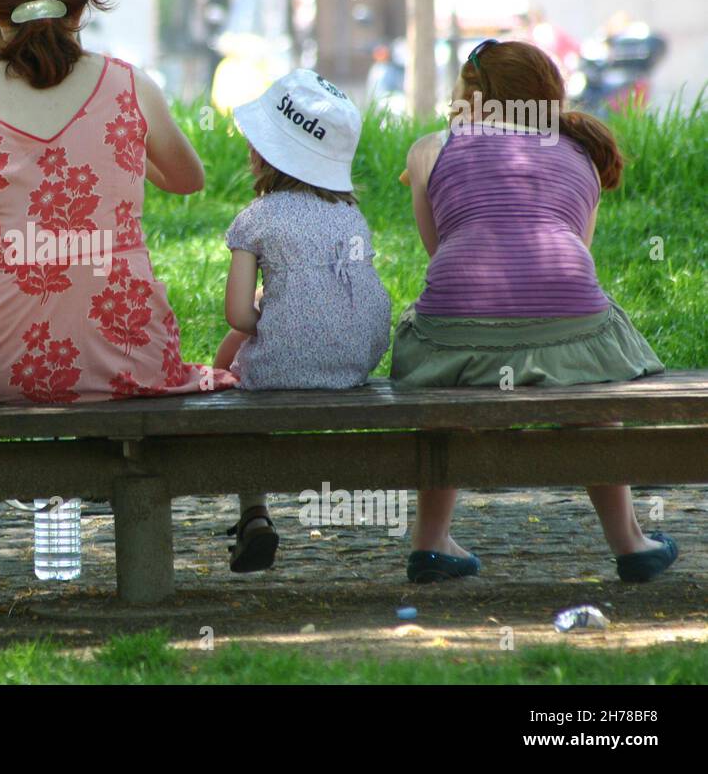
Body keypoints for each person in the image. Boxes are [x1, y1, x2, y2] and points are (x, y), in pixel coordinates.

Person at [0, 0, 236, 602]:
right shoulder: (129, 86)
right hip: (122, 354)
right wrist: (113, 150)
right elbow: (188, 178)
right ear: (83, 7)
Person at [393, 38, 676, 584]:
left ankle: (430, 543)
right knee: (595, 407)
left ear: (478, 98)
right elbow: (577, 261)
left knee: (445, 400)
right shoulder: (581, 155)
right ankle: (630, 542)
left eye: (457, 96)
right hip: (570, 335)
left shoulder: (430, 148)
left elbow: (440, 251)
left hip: (457, 338)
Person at [212, 70, 391, 573]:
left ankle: (253, 512)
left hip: (279, 369)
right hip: (355, 358)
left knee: (228, 369)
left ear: (265, 152)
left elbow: (238, 314)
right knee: (242, 347)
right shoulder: (350, 215)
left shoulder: (257, 218)